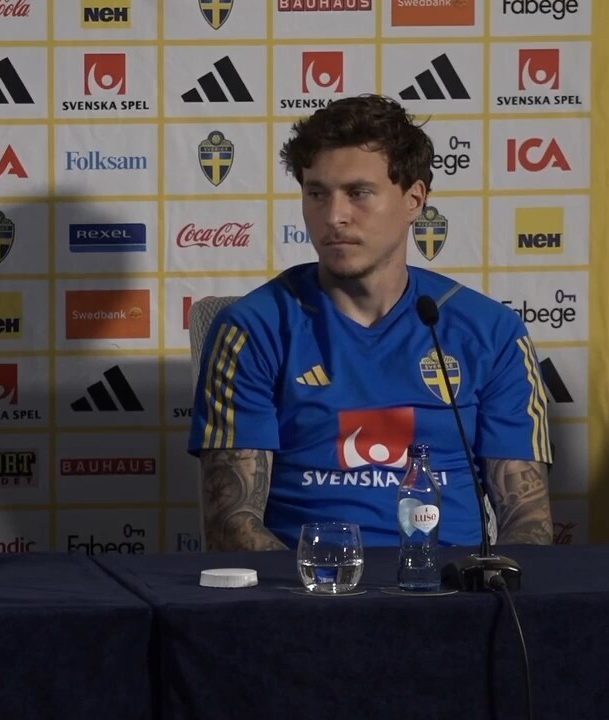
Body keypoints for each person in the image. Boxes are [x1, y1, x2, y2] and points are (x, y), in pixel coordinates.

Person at [189, 95, 553, 550]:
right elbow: (232, 524)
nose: (334, 216)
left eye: (358, 193)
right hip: (305, 586)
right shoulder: (252, 329)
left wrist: (487, 584)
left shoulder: (492, 332)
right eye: (317, 193)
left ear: (414, 199)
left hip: (453, 585)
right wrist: (327, 583)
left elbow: (528, 521)